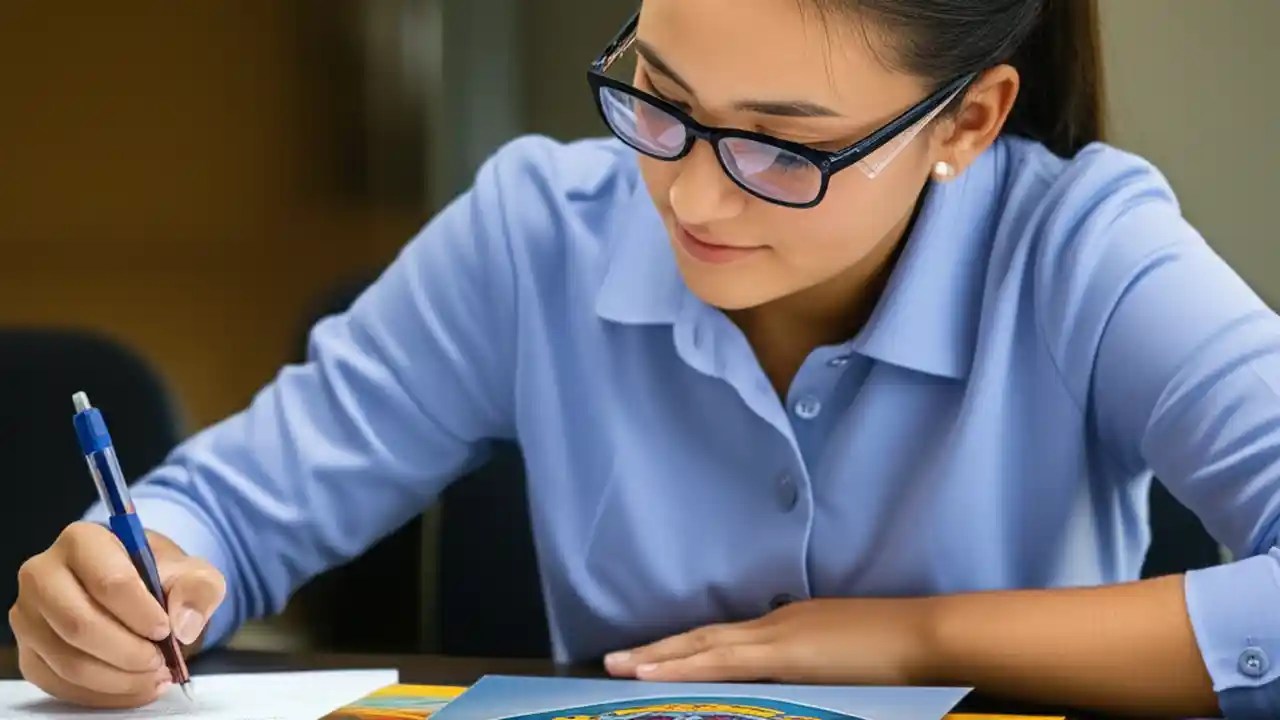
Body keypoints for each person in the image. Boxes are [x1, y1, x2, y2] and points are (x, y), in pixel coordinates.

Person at [9, 0, 1279, 716]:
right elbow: (226, 512)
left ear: (967, 123)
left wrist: (914, 638)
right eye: (657, 99)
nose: (689, 197)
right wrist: (131, 585)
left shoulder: (1084, 252)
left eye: (786, 148)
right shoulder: (536, 232)